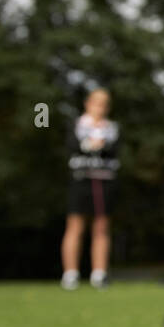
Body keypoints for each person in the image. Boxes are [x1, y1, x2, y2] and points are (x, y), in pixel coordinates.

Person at [61, 88, 119, 289]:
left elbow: (114, 150)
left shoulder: (112, 128)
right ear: (88, 103)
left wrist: (101, 145)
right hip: (81, 180)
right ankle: (70, 274)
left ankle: (99, 273)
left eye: (104, 103)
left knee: (102, 227)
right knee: (75, 225)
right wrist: (88, 145)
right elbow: (72, 145)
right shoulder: (77, 125)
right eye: (97, 102)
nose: (100, 107)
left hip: (104, 181)